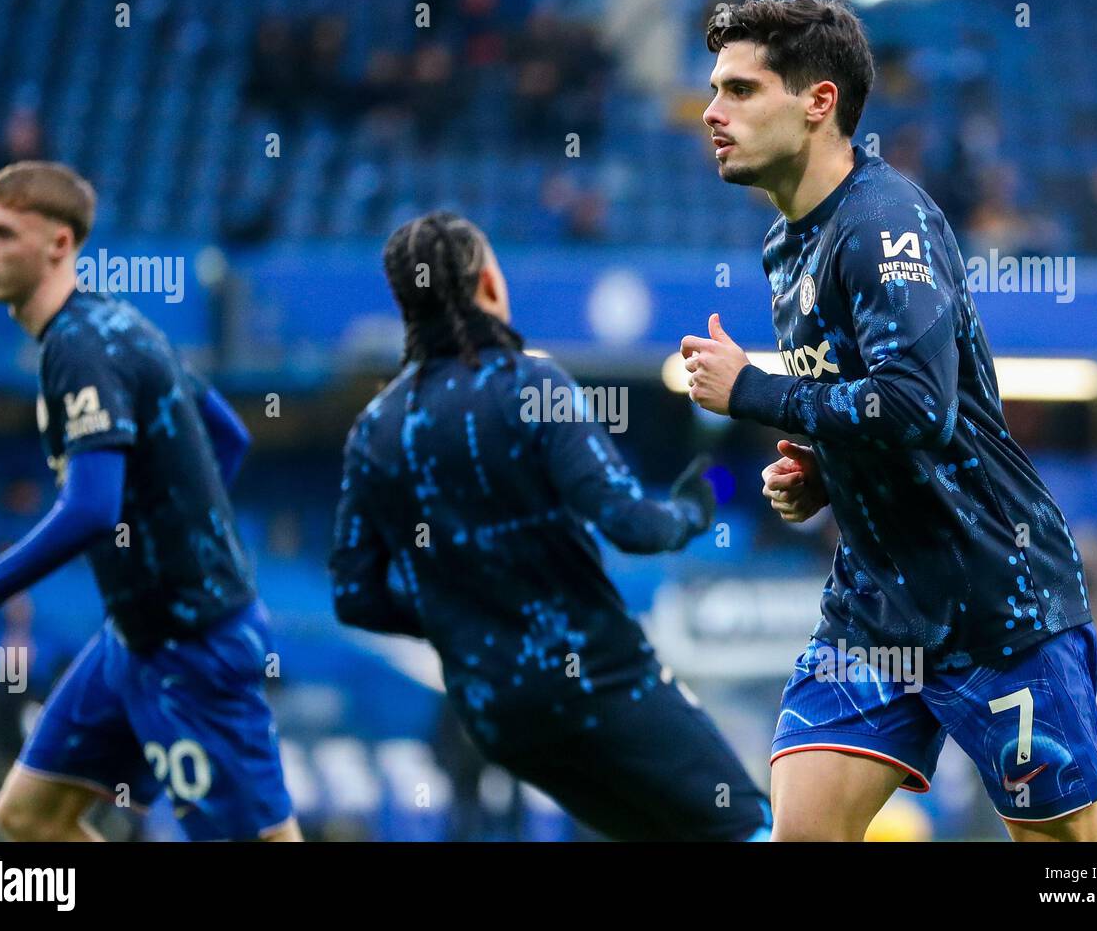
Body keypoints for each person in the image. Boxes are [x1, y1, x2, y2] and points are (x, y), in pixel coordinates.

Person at [683, 0, 1097, 841]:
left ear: (818, 103)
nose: (711, 111)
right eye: (714, 90)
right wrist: (823, 469)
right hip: (876, 609)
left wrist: (753, 392)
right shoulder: (789, 242)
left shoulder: (883, 224)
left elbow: (917, 404)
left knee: (1079, 870)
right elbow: (867, 400)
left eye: (739, 89)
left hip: (996, 606)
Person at [329, 210, 771, 841]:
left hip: (496, 715)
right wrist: (696, 507)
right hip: (597, 681)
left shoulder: (376, 427)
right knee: (749, 825)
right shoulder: (529, 385)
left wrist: (459, 618)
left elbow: (355, 594)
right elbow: (633, 526)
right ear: (487, 284)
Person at [0, 161, 299, 841]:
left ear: (58, 245)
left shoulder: (78, 349)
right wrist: (178, 536)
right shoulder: (120, 324)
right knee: (29, 815)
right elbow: (227, 436)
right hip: (135, 637)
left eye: (2, 234)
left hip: (195, 648)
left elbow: (92, 510)